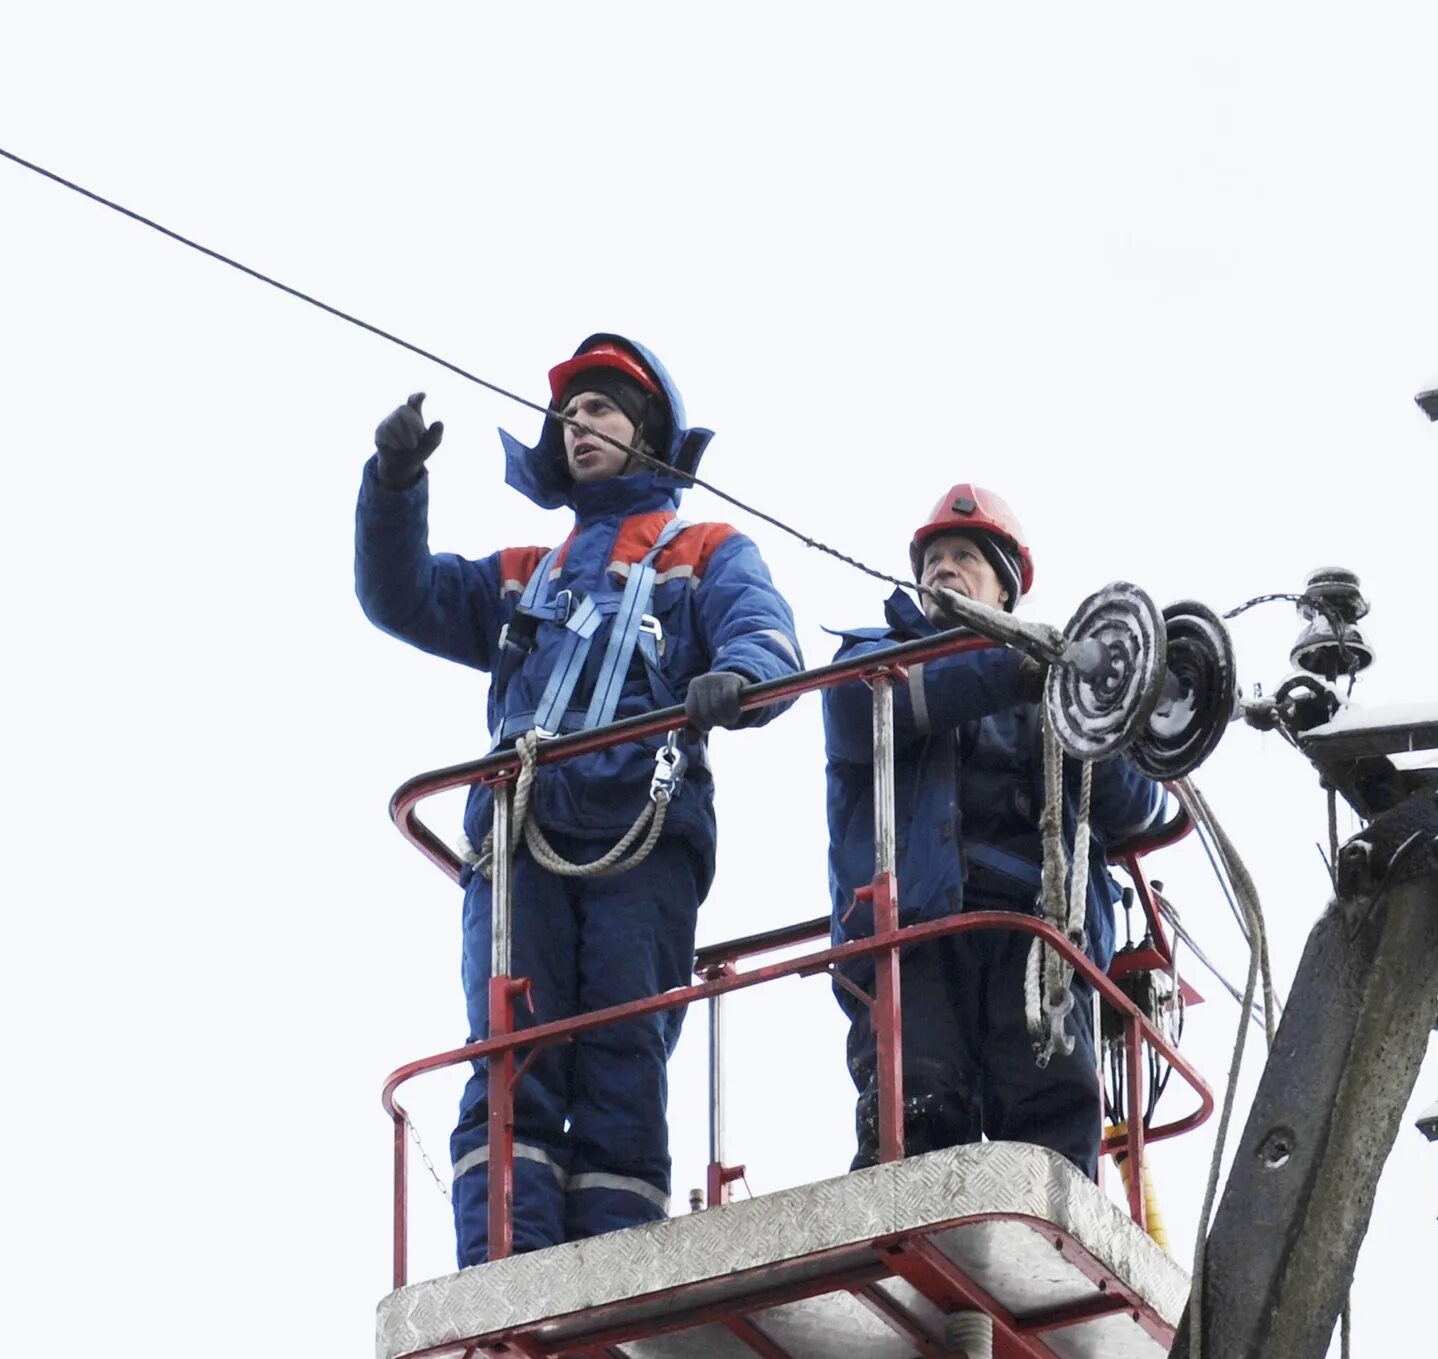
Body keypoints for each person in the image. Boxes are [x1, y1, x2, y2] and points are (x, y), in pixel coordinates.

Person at [358, 334, 801, 1264]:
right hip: (523, 842)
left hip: (642, 835)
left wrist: (738, 677)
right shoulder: (526, 574)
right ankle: (502, 1270)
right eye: (570, 414)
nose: (579, 425)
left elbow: (765, 639)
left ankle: (613, 1268)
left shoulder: (707, 550)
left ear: (646, 436)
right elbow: (401, 595)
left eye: (602, 410)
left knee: (620, 1051)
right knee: (511, 1049)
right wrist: (394, 483)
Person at [822, 485, 1177, 1178]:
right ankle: (914, 1240)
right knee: (917, 1108)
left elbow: (1139, 809)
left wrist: (1101, 709)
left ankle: (1047, 1244)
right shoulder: (872, 661)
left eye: (963, 556)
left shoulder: (1059, 686)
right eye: (934, 559)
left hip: (1035, 939)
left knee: (1048, 1112)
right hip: (915, 936)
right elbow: (870, 710)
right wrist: (1016, 667)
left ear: (1008, 590)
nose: (942, 570)